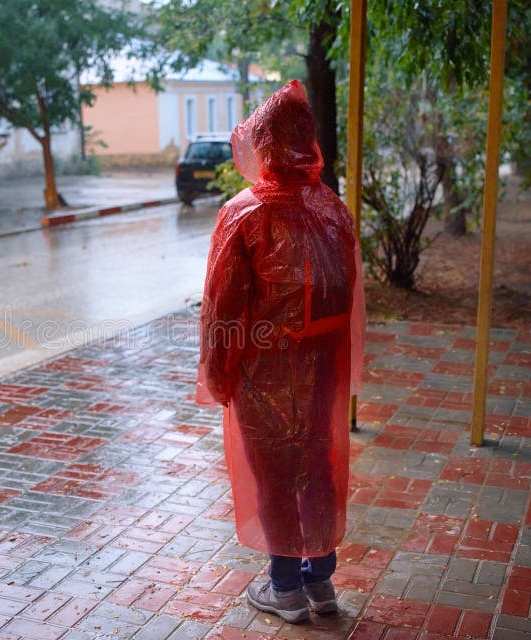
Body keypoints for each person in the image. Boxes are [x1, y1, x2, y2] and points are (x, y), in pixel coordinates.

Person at [196, 79, 365, 625]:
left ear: (263, 144)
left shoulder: (243, 214)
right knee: (317, 461)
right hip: (322, 369)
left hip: (263, 368)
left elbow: (223, 308)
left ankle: (285, 586)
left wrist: (218, 373)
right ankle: (321, 582)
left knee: (273, 469)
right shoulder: (333, 210)